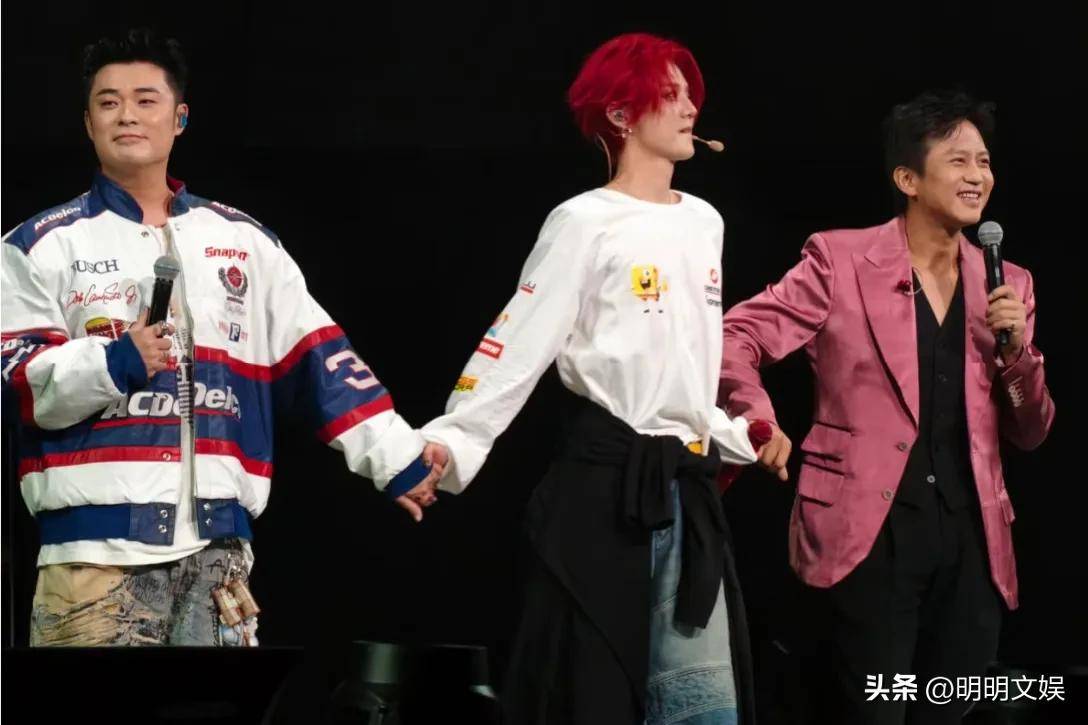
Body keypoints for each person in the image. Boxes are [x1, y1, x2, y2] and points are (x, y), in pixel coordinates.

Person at [0, 28, 444, 647]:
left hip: (220, 561)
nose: (127, 114)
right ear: (87, 122)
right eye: (108, 102)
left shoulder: (244, 241)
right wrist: (116, 361)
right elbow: (17, 383)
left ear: (179, 118)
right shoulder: (38, 244)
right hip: (94, 560)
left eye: (146, 99)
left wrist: (397, 456)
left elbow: (320, 359)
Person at [420, 32, 763, 725]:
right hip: (604, 494)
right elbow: (517, 341)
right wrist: (453, 440)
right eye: (669, 95)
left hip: (685, 495)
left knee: (701, 708)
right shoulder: (583, 221)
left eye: (690, 94)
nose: (690, 108)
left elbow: (685, 358)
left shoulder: (705, 222)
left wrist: (730, 430)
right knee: (597, 695)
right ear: (620, 114)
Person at [719, 90, 1055, 724]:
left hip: (972, 539)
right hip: (869, 533)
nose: (978, 176)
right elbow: (738, 336)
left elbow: (1032, 430)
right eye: (958, 161)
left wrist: (1016, 354)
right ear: (908, 178)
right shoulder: (840, 260)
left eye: (984, 161)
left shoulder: (1008, 282)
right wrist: (755, 414)